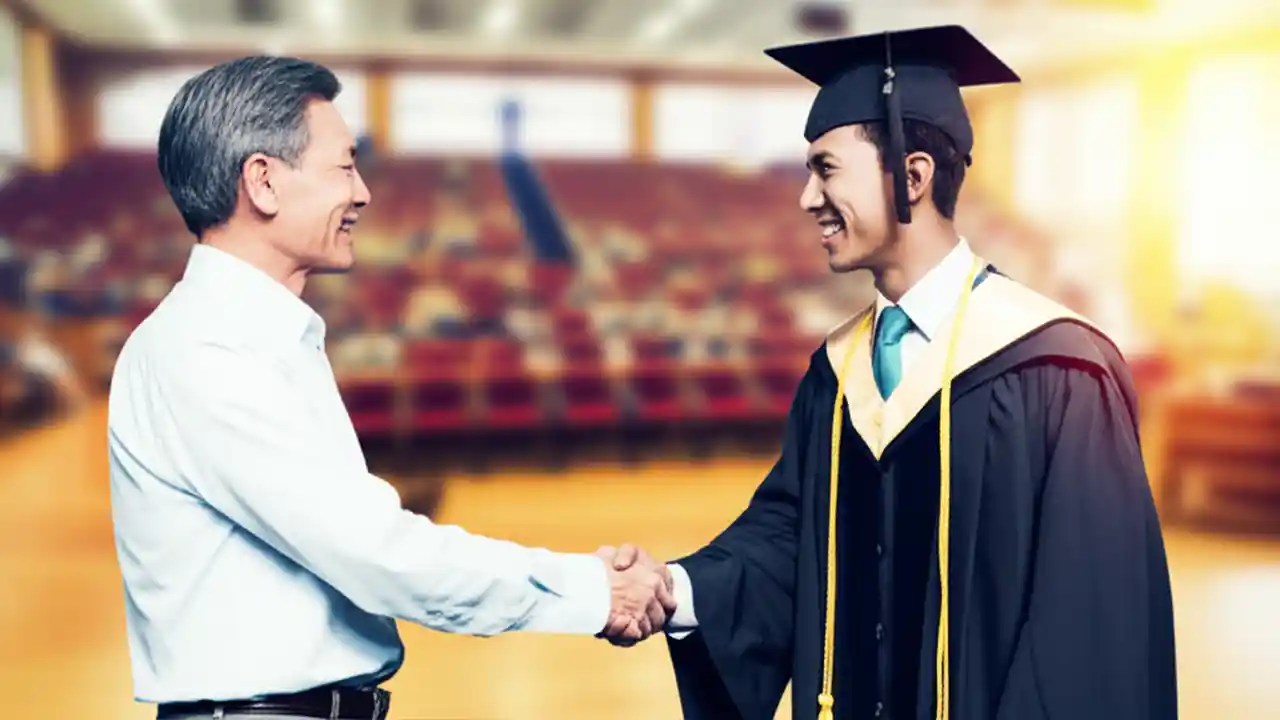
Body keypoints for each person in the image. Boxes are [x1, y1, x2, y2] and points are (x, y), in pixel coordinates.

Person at [602, 25, 1177, 720]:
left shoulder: (1060, 372)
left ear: (912, 176)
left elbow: (1087, 630)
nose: (807, 198)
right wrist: (674, 589)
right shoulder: (836, 375)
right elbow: (791, 544)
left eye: (826, 169)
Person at [106, 56, 675, 720]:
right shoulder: (208, 348)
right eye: (344, 167)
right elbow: (376, 552)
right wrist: (594, 591)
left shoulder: (251, 338)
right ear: (262, 182)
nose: (363, 193)